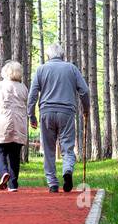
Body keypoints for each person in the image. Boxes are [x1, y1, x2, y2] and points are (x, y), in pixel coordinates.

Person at [26, 43, 89, 193]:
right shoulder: (71, 68)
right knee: (67, 147)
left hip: (46, 112)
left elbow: (33, 95)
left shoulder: (41, 69)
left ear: (48, 56)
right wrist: (86, 109)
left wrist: (31, 115)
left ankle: (52, 183)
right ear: (63, 55)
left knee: (48, 149)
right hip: (66, 112)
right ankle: (67, 170)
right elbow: (84, 91)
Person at [0, 60, 28, 191]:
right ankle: (13, 184)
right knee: (14, 155)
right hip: (19, 124)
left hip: (1, 123)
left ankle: (4, 172)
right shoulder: (23, 88)